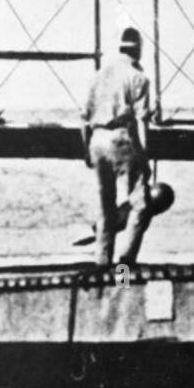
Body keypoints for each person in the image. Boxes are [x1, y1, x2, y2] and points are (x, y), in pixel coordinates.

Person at [80, 27, 154, 267]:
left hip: (96, 140)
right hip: (120, 139)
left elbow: (83, 119)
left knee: (105, 206)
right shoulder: (138, 78)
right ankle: (125, 261)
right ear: (139, 49)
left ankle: (102, 262)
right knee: (140, 204)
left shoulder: (97, 75)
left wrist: (86, 151)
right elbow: (141, 121)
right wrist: (145, 157)